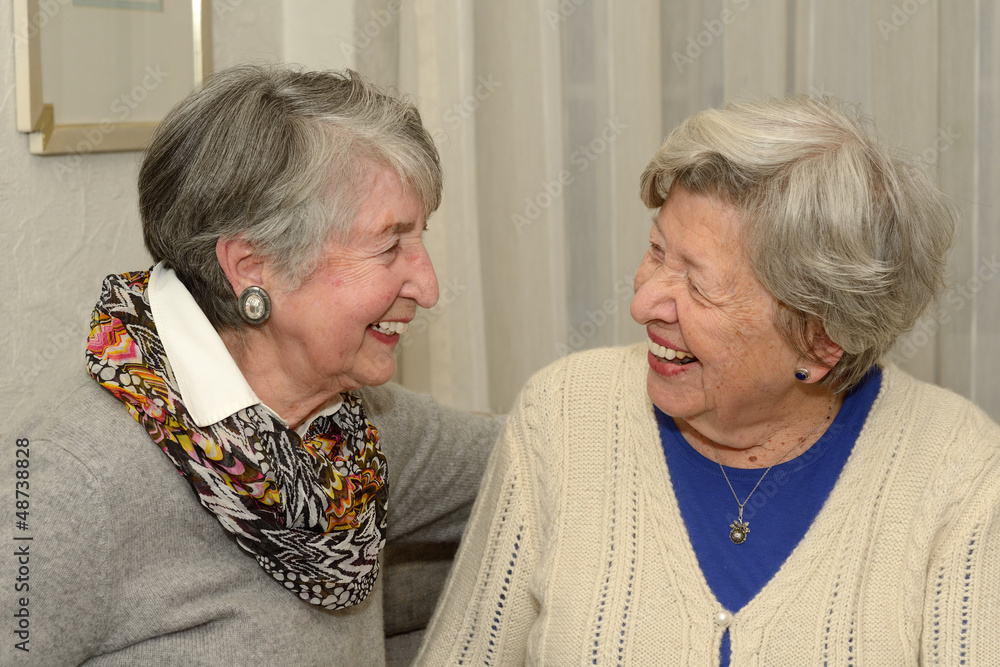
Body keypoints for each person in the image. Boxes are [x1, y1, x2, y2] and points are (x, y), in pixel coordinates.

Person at [415, 96, 1000, 665]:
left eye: (697, 285)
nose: (644, 303)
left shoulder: (957, 467)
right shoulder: (563, 415)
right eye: (655, 251)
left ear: (821, 339)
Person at [0, 64, 502, 665]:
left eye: (422, 239)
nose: (428, 285)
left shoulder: (351, 433)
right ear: (252, 268)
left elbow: (542, 452)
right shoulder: (66, 482)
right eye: (389, 245)